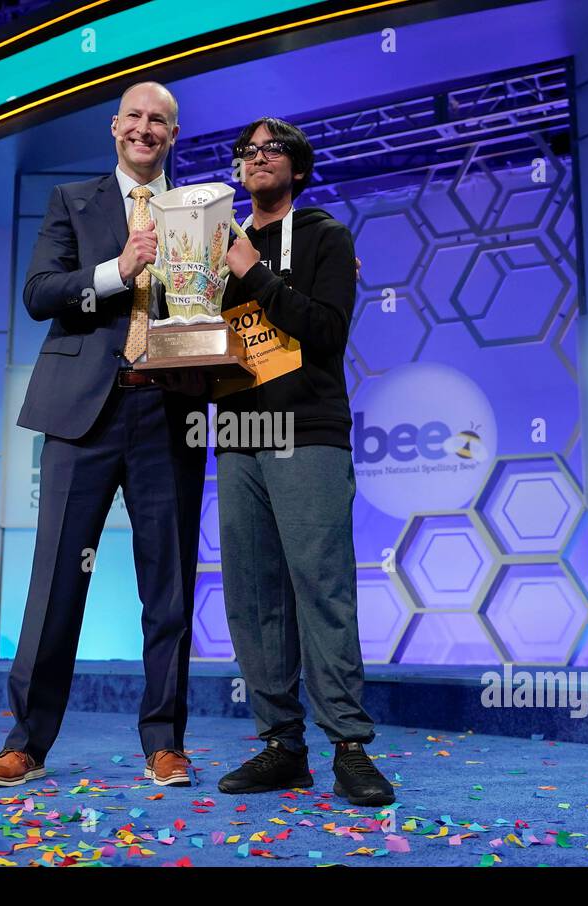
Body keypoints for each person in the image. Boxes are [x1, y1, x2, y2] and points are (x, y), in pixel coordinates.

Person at [0, 81, 207, 789]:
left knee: (167, 585)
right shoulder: (73, 201)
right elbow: (41, 291)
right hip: (82, 413)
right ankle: (26, 742)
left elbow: (216, 309)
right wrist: (116, 271)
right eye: (135, 117)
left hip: (169, 413)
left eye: (159, 121)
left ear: (173, 134)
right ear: (115, 128)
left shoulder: (200, 211)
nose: (146, 129)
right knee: (54, 583)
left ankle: (164, 741)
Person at [213, 118, 394, 807]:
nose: (257, 159)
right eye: (247, 152)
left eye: (272, 150)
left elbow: (325, 331)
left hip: (307, 430)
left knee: (321, 585)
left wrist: (251, 273)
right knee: (253, 596)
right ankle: (281, 747)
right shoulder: (216, 247)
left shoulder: (325, 237)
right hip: (236, 431)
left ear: (298, 165)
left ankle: (349, 746)